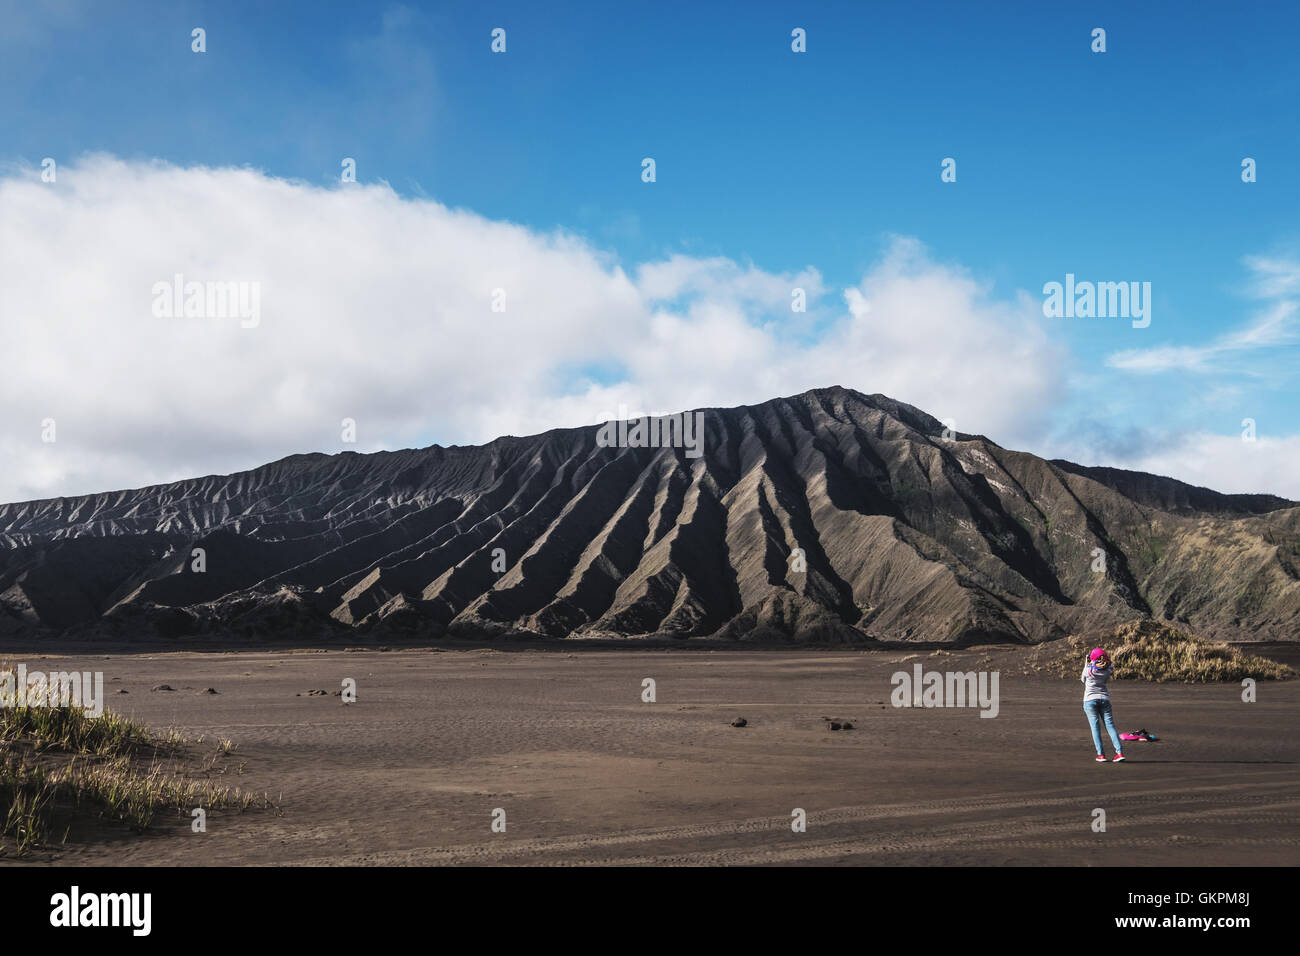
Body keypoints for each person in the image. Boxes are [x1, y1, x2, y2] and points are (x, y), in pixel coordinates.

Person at [1082, 647, 1125, 762]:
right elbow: (1109, 665)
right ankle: (1119, 753)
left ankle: (1101, 755)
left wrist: (1086, 663)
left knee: (1095, 728)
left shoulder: (1088, 670)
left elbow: (1083, 679)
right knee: (1110, 727)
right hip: (1105, 699)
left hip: (1090, 700)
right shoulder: (1108, 670)